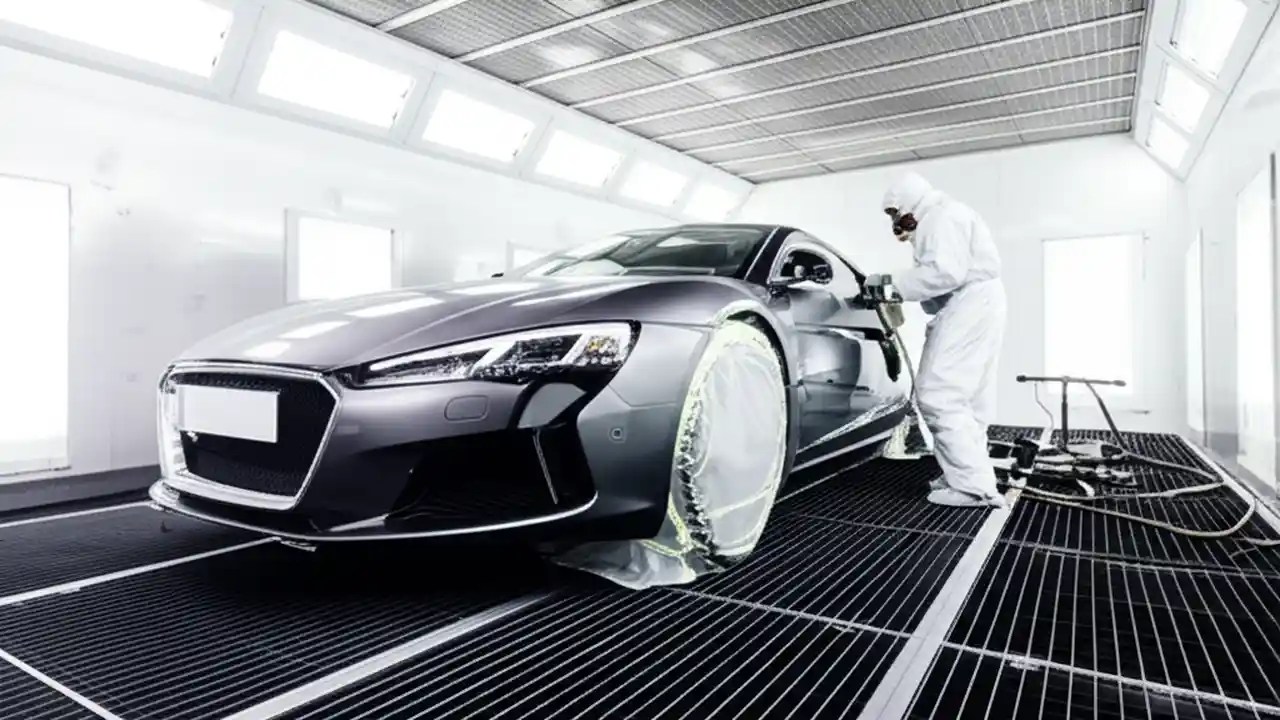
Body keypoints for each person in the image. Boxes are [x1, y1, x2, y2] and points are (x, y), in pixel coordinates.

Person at [865, 173, 1007, 508]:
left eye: (895, 212)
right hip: (980, 303)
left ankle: (972, 487)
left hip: (968, 304)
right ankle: (968, 475)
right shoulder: (946, 214)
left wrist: (890, 285)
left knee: (937, 394)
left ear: (909, 202)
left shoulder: (940, 216)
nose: (896, 222)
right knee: (967, 399)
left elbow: (944, 273)